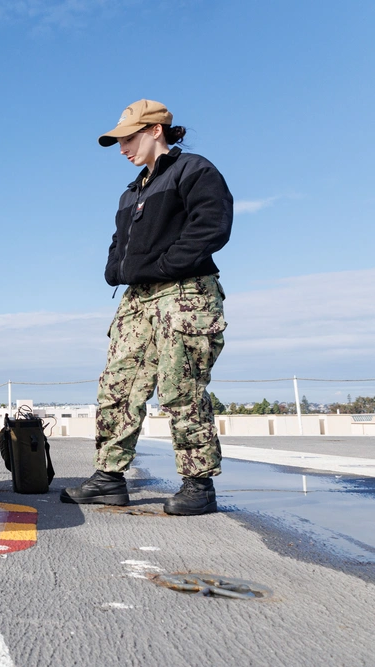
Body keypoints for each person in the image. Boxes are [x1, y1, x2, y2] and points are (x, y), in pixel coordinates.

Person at [61, 100, 233, 516]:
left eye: (129, 138)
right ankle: (109, 478)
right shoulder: (132, 191)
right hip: (137, 297)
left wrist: (163, 264)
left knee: (181, 387)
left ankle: (198, 483)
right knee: (118, 386)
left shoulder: (193, 170)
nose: (122, 147)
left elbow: (211, 226)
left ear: (156, 130)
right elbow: (118, 244)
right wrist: (115, 269)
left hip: (185, 292)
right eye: (119, 140)